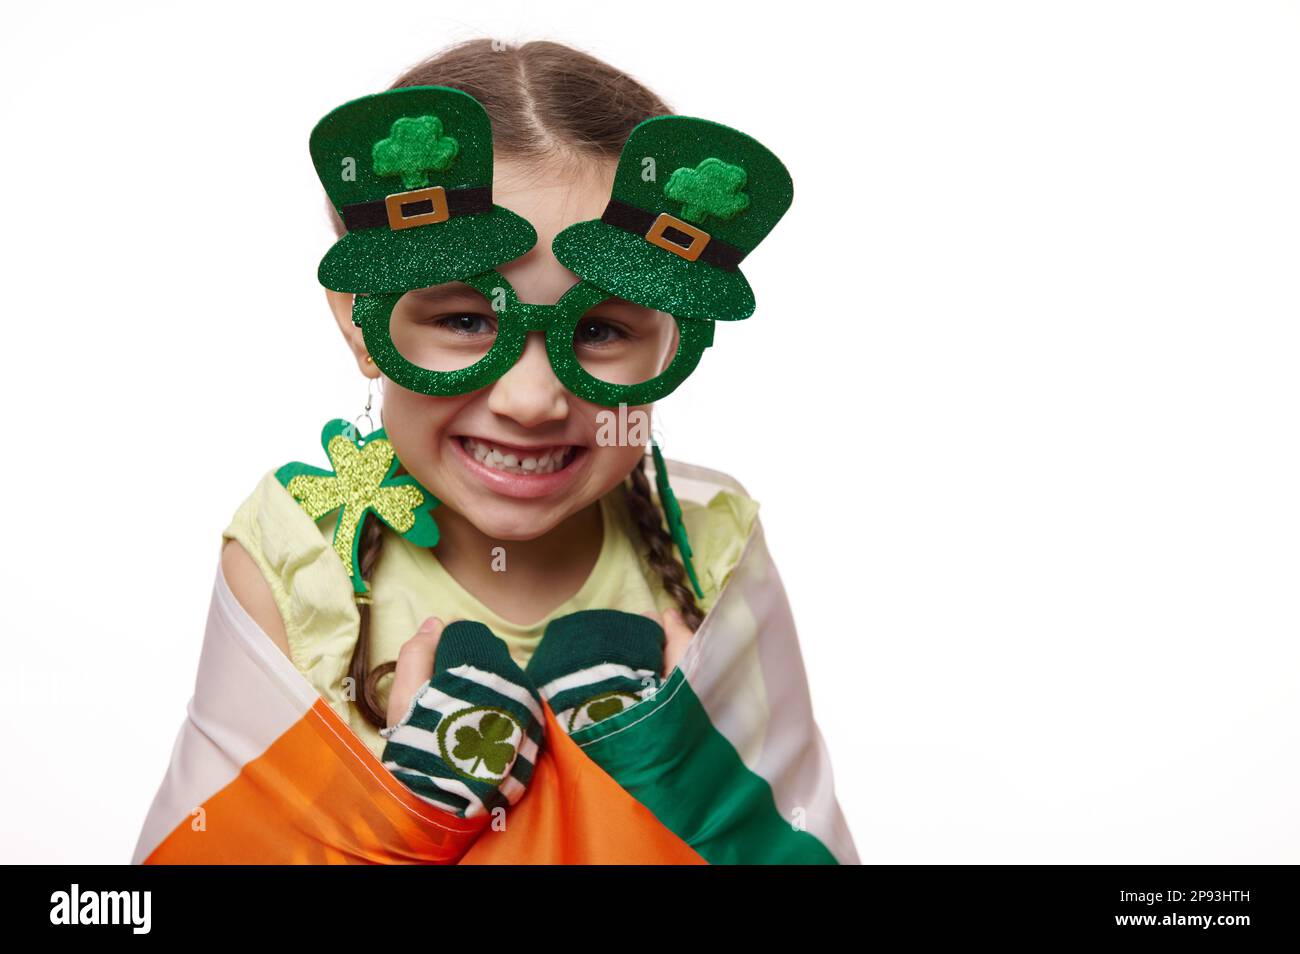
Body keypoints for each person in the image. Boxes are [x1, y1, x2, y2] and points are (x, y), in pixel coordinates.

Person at [136, 38, 858, 865]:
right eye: (467, 321)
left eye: (598, 330)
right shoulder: (299, 560)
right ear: (361, 324)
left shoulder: (712, 547)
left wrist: (681, 774)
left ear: (672, 341)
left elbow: (805, 846)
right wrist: (412, 809)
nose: (532, 400)